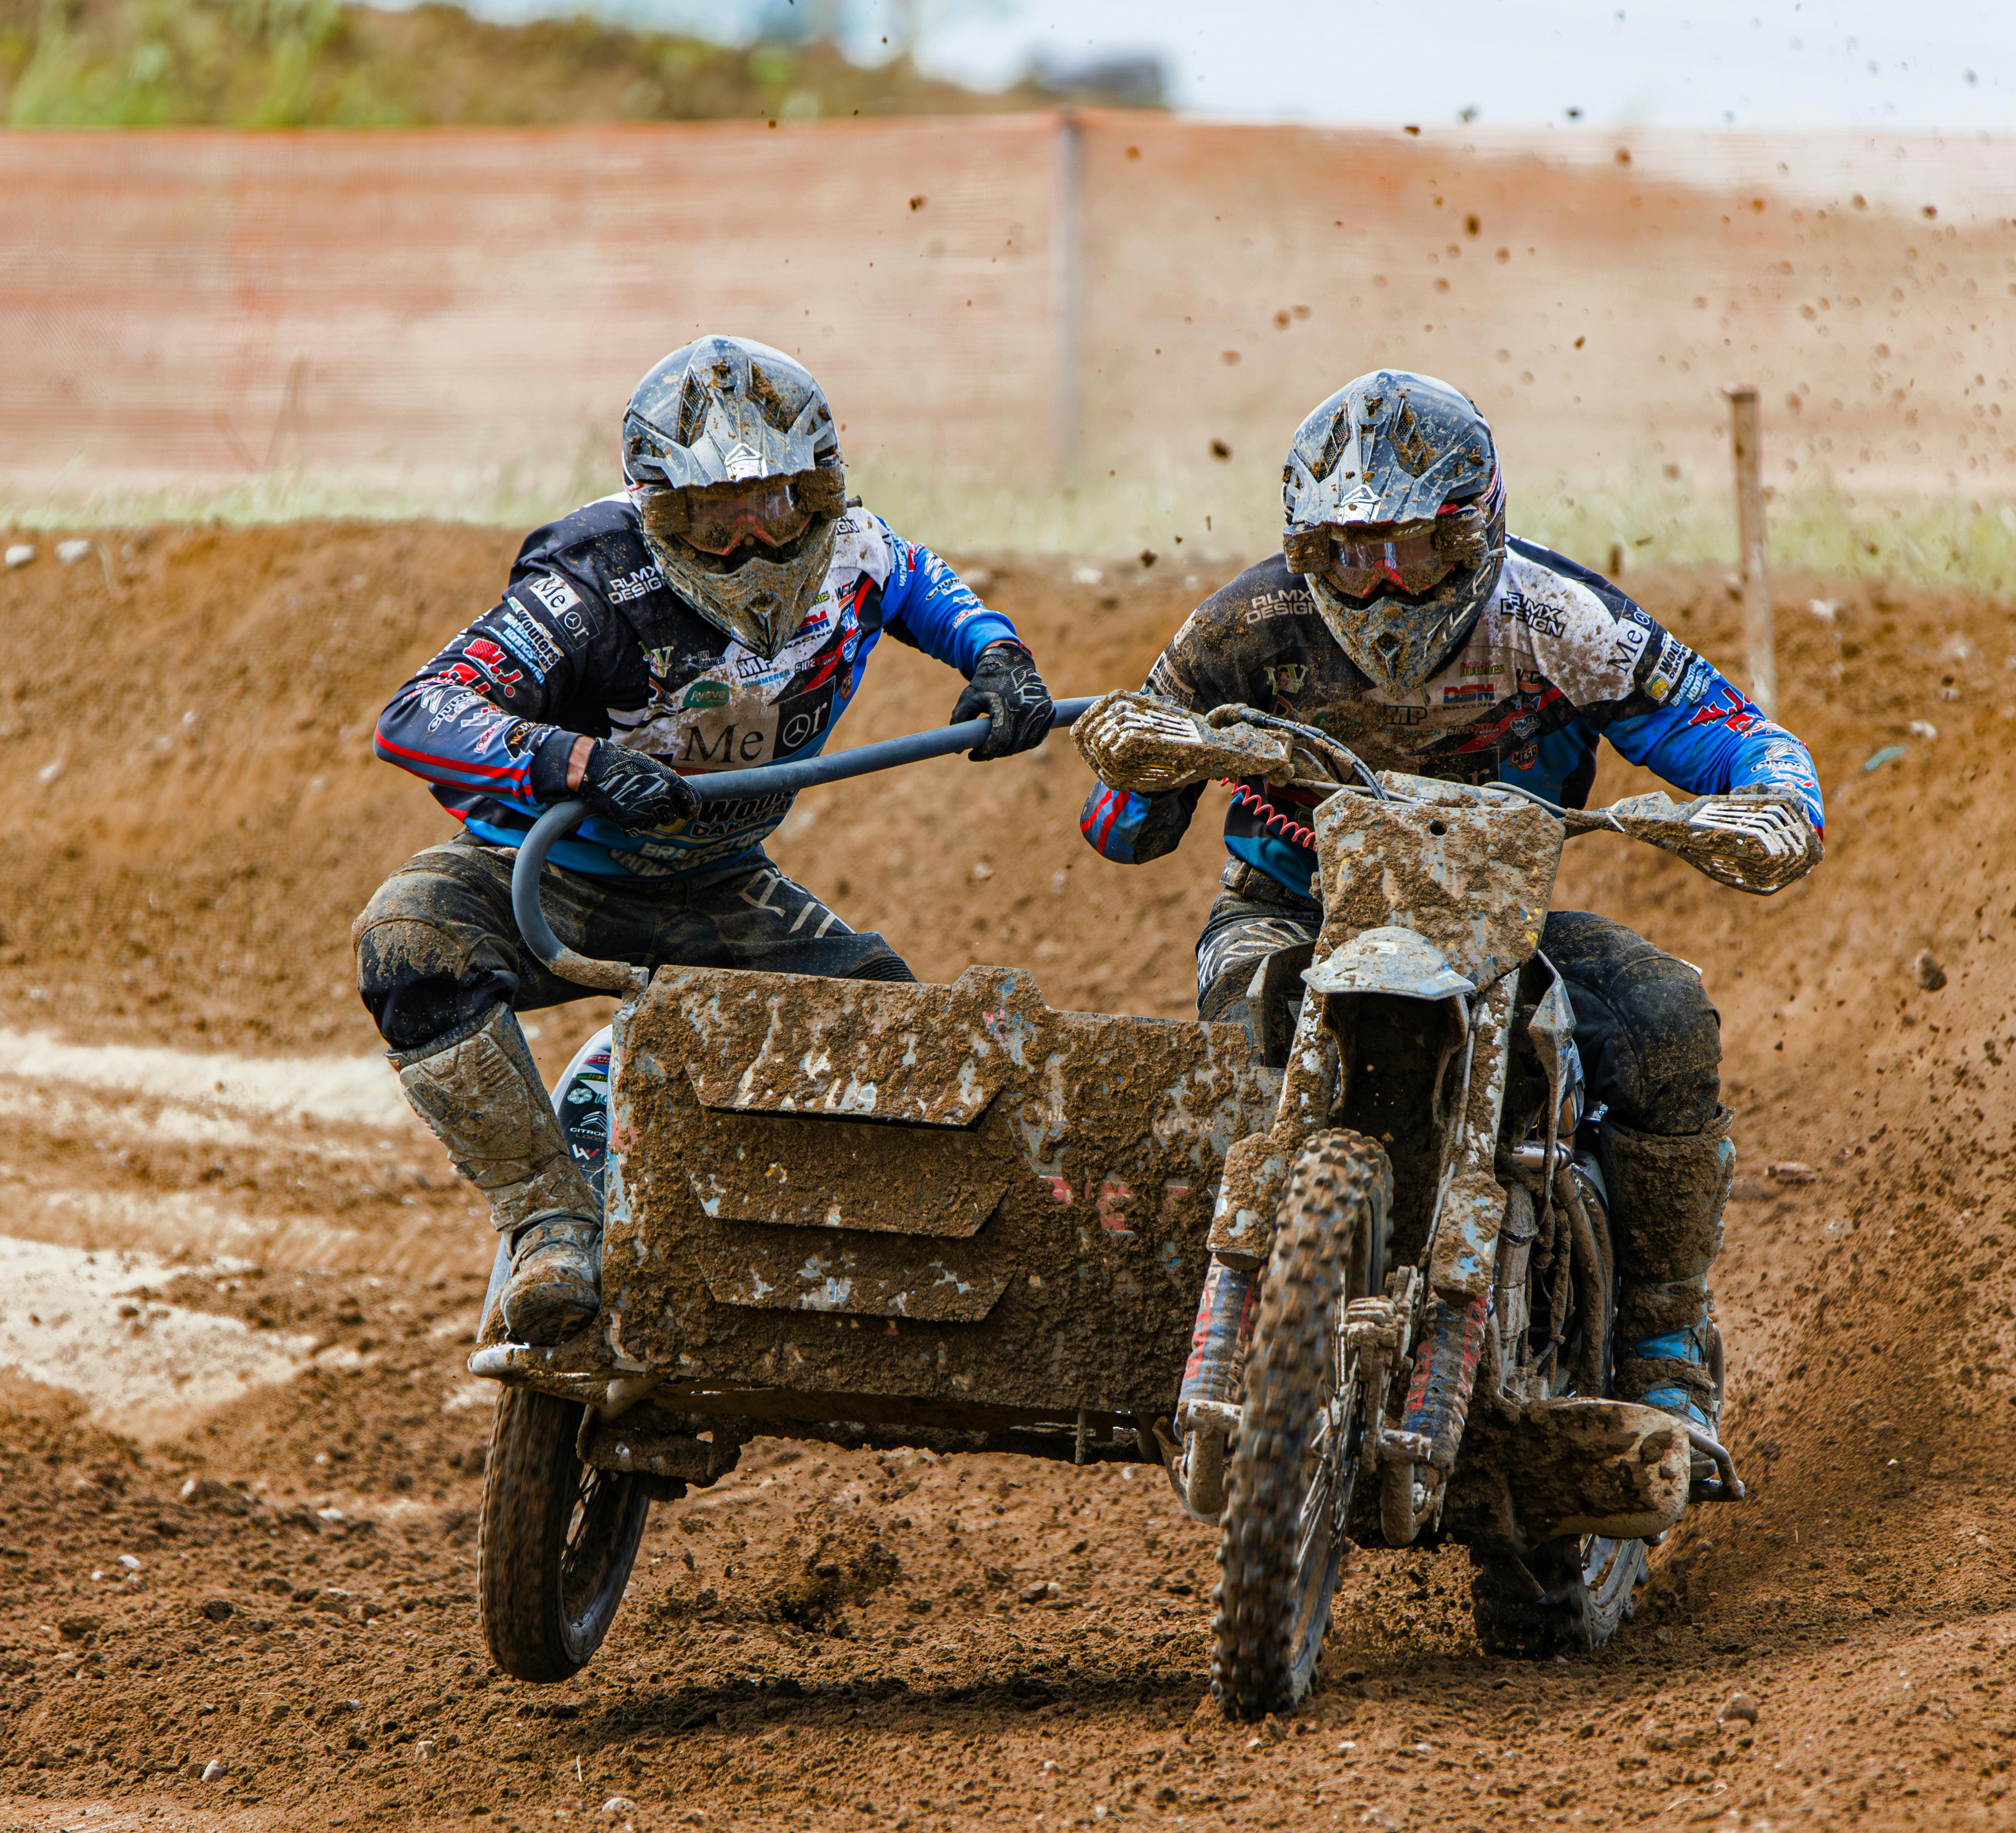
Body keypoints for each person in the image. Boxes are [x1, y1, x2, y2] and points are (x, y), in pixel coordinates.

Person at [1071, 369, 1823, 1455]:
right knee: (1243, 1027)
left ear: (1474, 533)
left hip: (1493, 926)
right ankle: (1208, 1304)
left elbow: (1728, 729)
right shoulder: (1244, 625)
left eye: (1412, 553)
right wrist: (1142, 764)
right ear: (1303, 548)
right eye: (1346, 554)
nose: (1379, 589)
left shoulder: (1558, 618)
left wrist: (1773, 802)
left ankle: (1664, 1342)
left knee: (1663, 1019)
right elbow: (1119, 830)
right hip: (1292, 910)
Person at [354, 335, 1053, 1346]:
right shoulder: (590, 580)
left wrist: (998, 660)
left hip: (723, 884)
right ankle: (548, 1220)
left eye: (777, 508)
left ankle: (811, 1272)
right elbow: (418, 712)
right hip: (556, 870)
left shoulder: (854, 551)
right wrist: (573, 763)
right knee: (409, 939)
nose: (755, 548)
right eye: (713, 522)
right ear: (654, 509)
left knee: (908, 1049)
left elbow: (925, 585)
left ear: (822, 493)